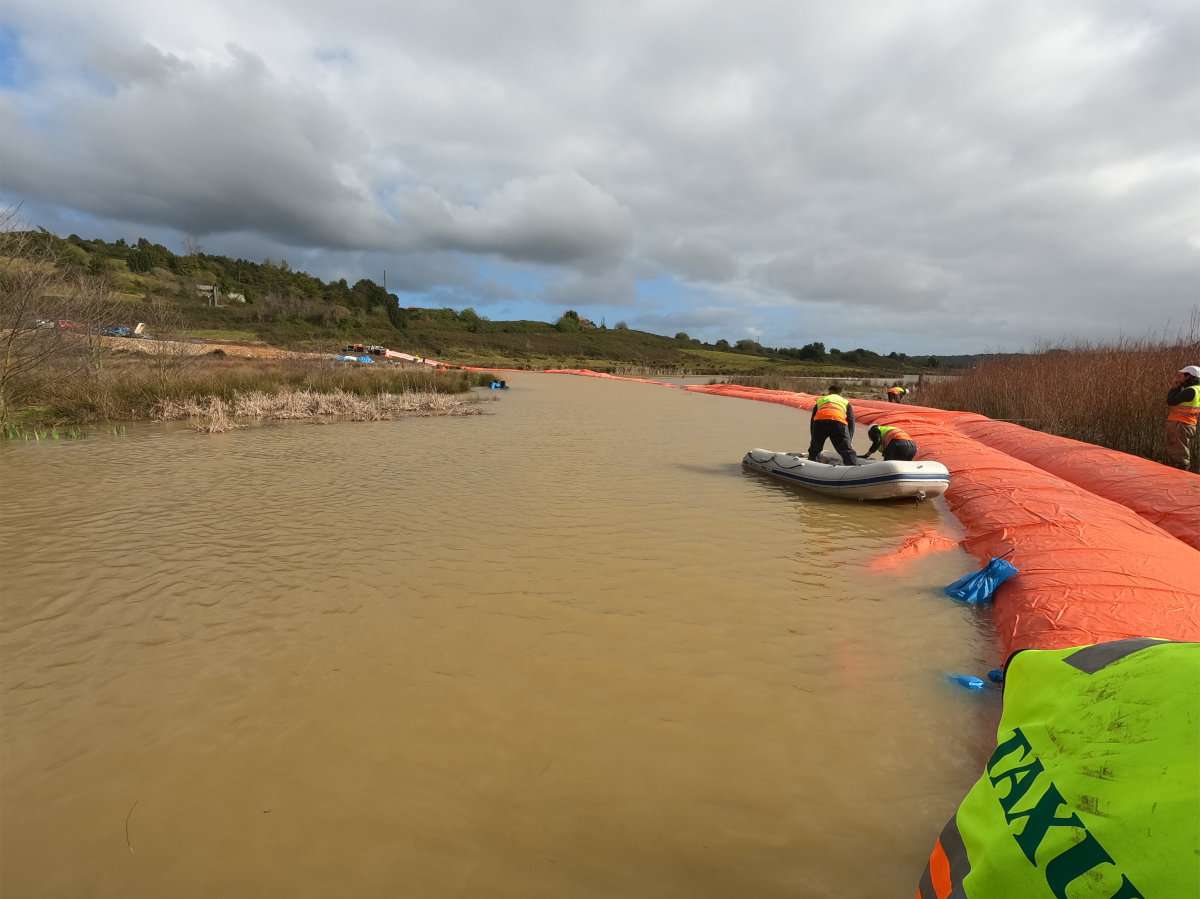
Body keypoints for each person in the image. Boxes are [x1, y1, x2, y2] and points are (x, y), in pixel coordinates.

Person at [808, 384, 857, 465]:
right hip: (838, 422)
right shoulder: (845, 401)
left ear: (829, 392)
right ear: (840, 393)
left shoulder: (822, 399)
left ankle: (811, 463)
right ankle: (852, 467)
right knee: (846, 451)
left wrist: (813, 437)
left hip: (820, 422)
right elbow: (851, 421)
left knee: (815, 449)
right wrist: (849, 440)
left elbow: (813, 420)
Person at [1166, 365, 1200, 472]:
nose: (1179, 377)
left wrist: (1175, 387)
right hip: (1189, 424)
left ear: (1189, 376)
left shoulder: (1190, 391)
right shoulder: (1197, 390)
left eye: (1182, 375)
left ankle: (1181, 473)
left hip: (1181, 424)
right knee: (1180, 450)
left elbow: (1171, 401)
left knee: (1179, 453)